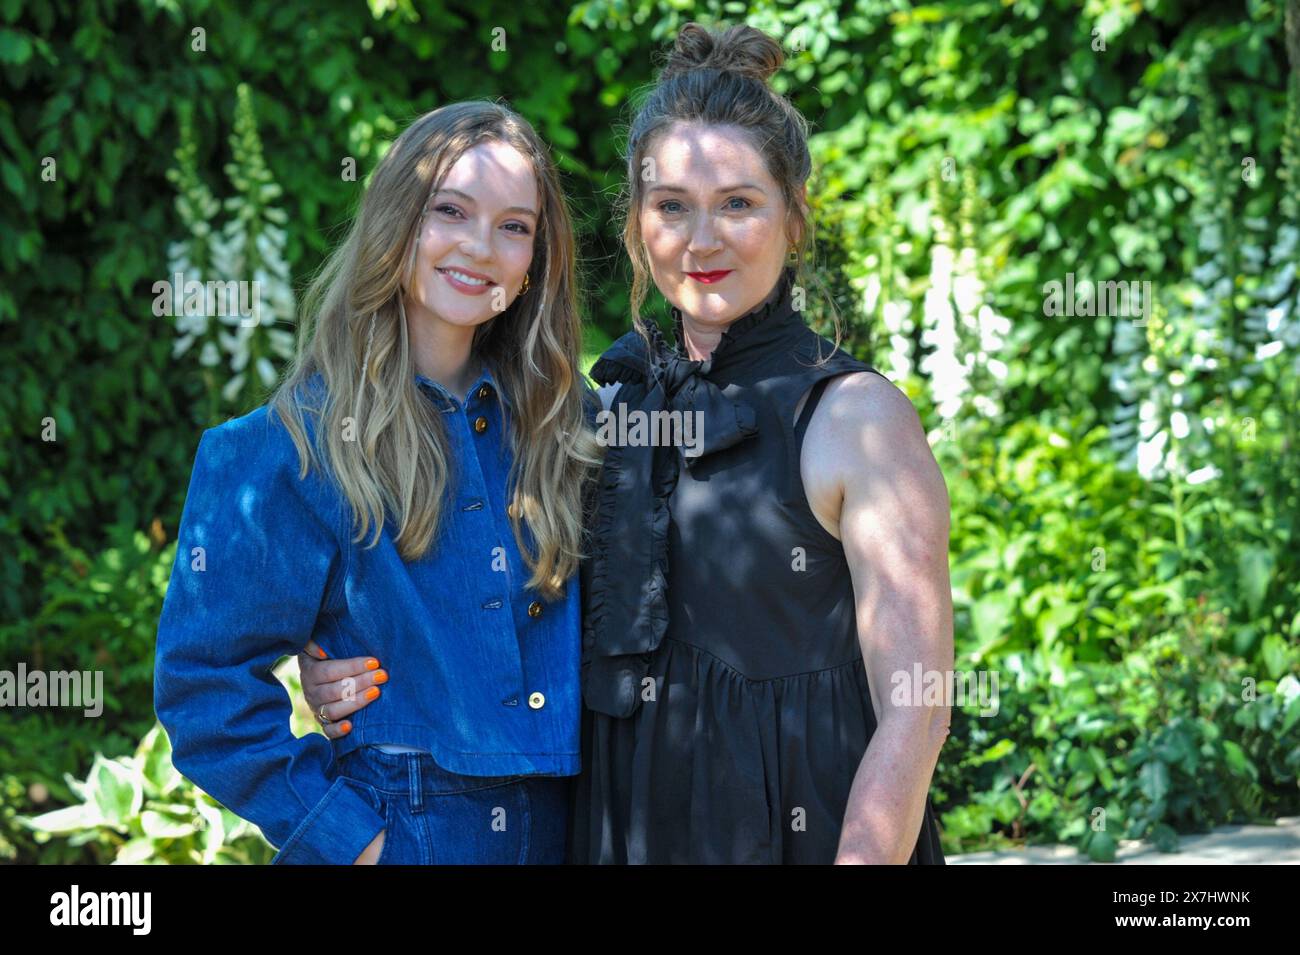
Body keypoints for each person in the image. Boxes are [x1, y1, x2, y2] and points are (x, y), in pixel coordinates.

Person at [302, 22, 952, 865]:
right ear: (638, 221)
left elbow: (918, 702)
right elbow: (490, 607)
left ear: (795, 215)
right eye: (672, 206)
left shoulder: (855, 417)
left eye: (738, 204)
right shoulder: (599, 410)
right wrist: (354, 677)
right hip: (621, 828)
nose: (701, 239)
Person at [154, 100, 602, 865]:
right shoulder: (294, 444)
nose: (480, 247)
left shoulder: (571, 426)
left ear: (537, 260)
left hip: (573, 822)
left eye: (514, 226)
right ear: (397, 220)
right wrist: (361, 842)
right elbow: (204, 686)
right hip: (406, 823)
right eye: (450, 210)